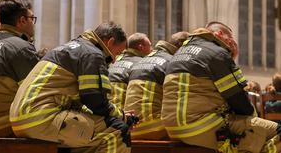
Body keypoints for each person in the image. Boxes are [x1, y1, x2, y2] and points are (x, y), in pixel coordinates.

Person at [10, 22, 134, 153]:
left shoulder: (70, 47)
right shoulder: (92, 54)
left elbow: (81, 101)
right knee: (117, 130)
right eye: (118, 53)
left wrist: (118, 114)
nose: (115, 60)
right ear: (110, 42)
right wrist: (123, 117)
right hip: (41, 118)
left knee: (85, 132)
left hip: (23, 118)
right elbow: (96, 101)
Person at [161, 21, 281, 152]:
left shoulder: (179, 53)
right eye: (230, 40)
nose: (232, 44)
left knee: (252, 135)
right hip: (199, 126)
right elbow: (240, 103)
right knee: (272, 132)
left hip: (172, 127)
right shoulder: (217, 53)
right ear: (218, 34)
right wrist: (229, 58)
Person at [0, 0, 39, 137]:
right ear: (22, 20)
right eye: (32, 18)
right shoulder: (20, 47)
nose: (34, 23)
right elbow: (37, 94)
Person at [124, 31, 189, 140]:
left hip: (129, 127)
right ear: (181, 47)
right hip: (150, 127)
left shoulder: (142, 60)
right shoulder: (173, 62)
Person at [109, 32, 152, 109]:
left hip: (107, 110)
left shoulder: (114, 62)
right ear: (141, 47)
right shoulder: (141, 64)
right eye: (150, 45)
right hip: (122, 113)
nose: (152, 50)